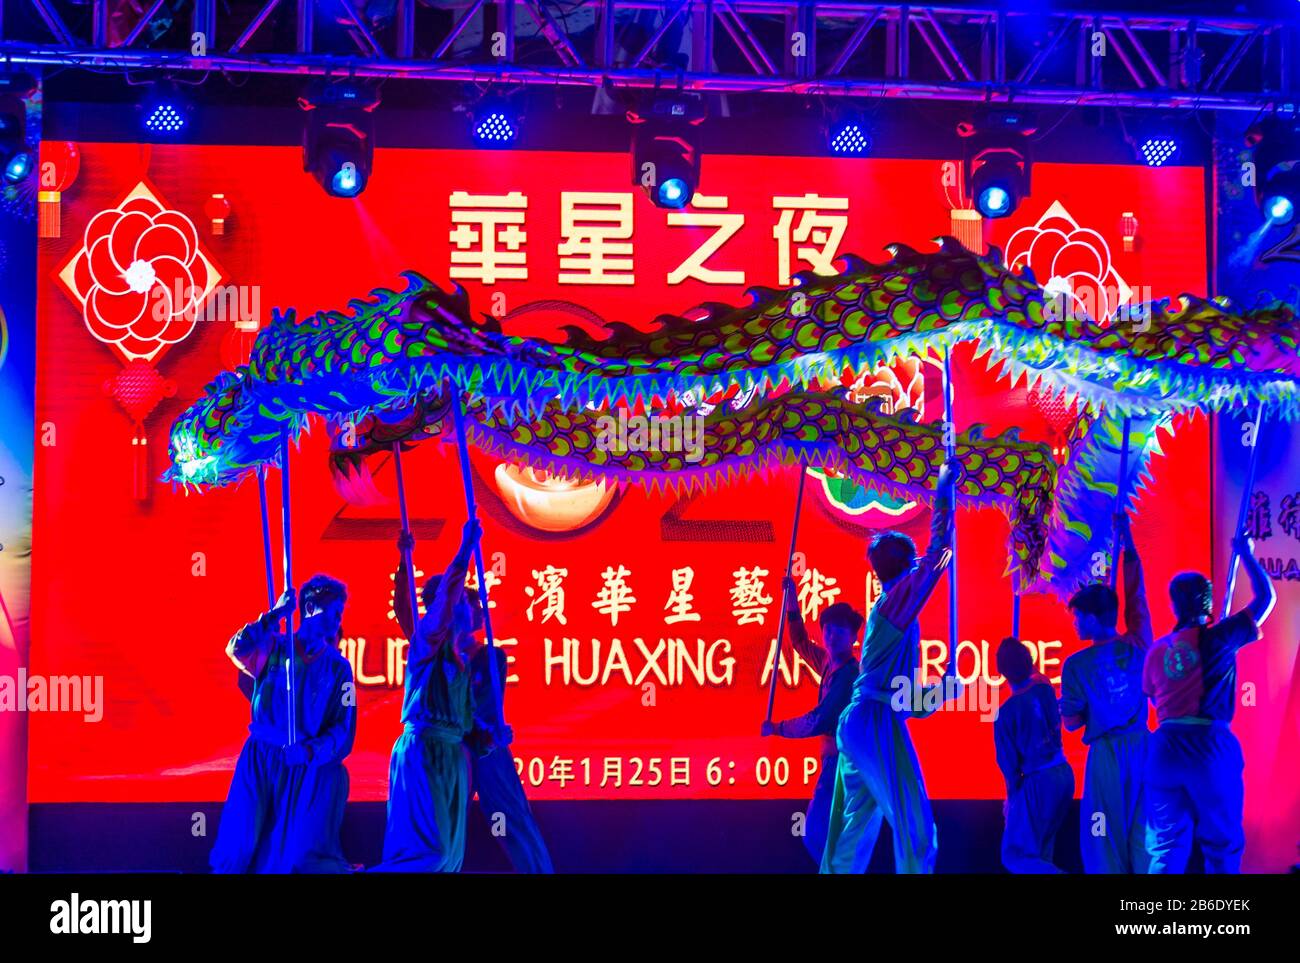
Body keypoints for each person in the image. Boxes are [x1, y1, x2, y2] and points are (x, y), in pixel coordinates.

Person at [821, 461, 959, 874]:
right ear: (905, 566)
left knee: (855, 830)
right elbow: (941, 554)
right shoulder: (896, 602)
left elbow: (906, 700)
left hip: (866, 720)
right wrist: (943, 487)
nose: (920, 566)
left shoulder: (893, 612)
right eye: (914, 561)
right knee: (914, 825)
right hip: (874, 721)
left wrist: (942, 690)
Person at [393, 532, 554, 873]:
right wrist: (405, 561)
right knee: (442, 834)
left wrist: (491, 734)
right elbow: (405, 609)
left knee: (508, 818)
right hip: (446, 749)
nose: (479, 610)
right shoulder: (430, 645)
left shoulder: (487, 656)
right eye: (470, 603)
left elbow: (486, 707)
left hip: (479, 745)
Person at [1142, 534, 1276, 874]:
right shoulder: (1220, 637)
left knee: (1166, 849)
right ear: (1208, 602)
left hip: (1164, 749)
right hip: (1208, 748)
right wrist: (1246, 553)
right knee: (1222, 845)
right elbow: (1266, 598)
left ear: (1174, 606)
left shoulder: (1157, 650)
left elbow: (1152, 696)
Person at [210, 575, 357, 873]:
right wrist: (274, 615)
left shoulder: (340, 669)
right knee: (241, 839)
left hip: (297, 763)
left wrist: (310, 751)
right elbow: (236, 649)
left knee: (282, 852)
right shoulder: (274, 646)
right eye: (335, 612)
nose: (338, 620)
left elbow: (344, 728)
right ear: (311, 607)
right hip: (260, 756)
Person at [373, 519, 480, 872]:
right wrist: (464, 549)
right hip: (424, 750)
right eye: (463, 600)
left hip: (452, 755)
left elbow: (471, 726)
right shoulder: (426, 645)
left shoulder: (467, 658)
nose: (470, 606)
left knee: (449, 860)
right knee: (425, 855)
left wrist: (492, 737)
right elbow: (437, 600)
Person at [1058, 514, 1153, 874]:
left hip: (1108, 757)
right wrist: (1127, 536)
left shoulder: (1076, 666)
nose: (1076, 623)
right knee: (1142, 833)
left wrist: (1072, 712)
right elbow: (1136, 595)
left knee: (1102, 839)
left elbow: (1069, 724)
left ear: (1096, 618)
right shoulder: (1139, 643)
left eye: (1079, 617)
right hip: (1143, 748)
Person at [762, 586, 862, 865]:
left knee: (818, 836)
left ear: (853, 637)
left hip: (843, 764)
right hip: (834, 763)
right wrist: (791, 598)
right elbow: (800, 642)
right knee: (829, 839)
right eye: (828, 630)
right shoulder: (829, 663)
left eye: (839, 631)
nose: (831, 636)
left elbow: (818, 720)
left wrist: (777, 728)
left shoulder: (848, 676)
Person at [994, 636, 1074, 873]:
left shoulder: (1006, 713)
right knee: (1041, 851)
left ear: (1001, 671)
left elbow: (1010, 768)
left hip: (1039, 781)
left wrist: (1012, 802)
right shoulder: (1045, 687)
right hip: (1064, 775)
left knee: (1014, 854)